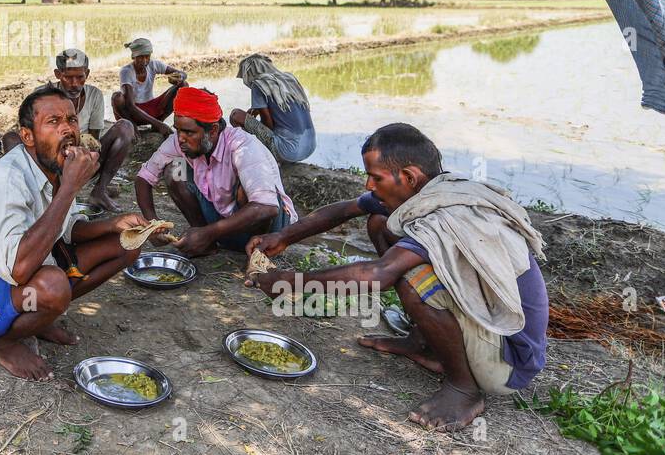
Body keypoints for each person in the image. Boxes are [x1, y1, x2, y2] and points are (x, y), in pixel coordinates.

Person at [246, 123, 549, 432]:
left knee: (412, 278)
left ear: (408, 177)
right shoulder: (428, 193)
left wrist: (290, 281)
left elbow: (379, 274)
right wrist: (283, 236)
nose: (367, 185)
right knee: (380, 222)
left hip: (508, 361)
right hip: (485, 330)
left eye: (376, 177)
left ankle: (464, 389)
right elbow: (342, 211)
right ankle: (426, 342)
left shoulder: (442, 217)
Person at [0, 85, 148, 380]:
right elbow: (18, 269)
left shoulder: (55, 168)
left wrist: (114, 224)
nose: (68, 129)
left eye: (72, 120)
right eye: (53, 122)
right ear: (27, 136)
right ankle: (3, 340)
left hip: (24, 279)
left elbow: (68, 230)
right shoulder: (5, 178)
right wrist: (69, 188)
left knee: (127, 245)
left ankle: (39, 317)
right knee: (54, 286)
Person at [134, 86, 296, 257]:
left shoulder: (244, 147)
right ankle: (205, 242)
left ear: (212, 131)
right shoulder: (180, 140)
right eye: (178, 129)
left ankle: (255, 249)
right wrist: (152, 224)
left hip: (267, 229)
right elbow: (144, 177)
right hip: (224, 222)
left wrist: (208, 232)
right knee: (175, 170)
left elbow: (267, 207)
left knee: (247, 191)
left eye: (189, 132)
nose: (180, 138)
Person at [1, 48, 136, 211]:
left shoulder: (94, 96)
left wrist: (79, 147)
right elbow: (35, 137)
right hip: (48, 158)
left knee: (125, 127)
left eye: (80, 77)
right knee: (10, 138)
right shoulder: (42, 96)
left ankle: (99, 191)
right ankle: (32, 189)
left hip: (82, 156)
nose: (74, 84)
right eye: (68, 77)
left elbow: (94, 141)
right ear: (58, 74)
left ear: (87, 73)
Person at [229, 53, 316, 162]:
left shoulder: (259, 84)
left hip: (288, 151)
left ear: (249, 72)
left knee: (236, 114)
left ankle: (251, 157)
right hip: (310, 146)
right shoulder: (290, 78)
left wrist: (251, 128)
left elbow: (268, 125)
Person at [112, 37, 186, 135]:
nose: (144, 60)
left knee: (183, 86)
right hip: (134, 114)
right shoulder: (126, 71)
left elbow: (183, 73)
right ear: (133, 57)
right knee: (117, 97)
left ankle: (158, 123)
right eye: (141, 57)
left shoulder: (153, 65)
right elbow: (130, 105)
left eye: (147, 56)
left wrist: (179, 77)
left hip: (151, 110)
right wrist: (159, 125)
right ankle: (134, 127)